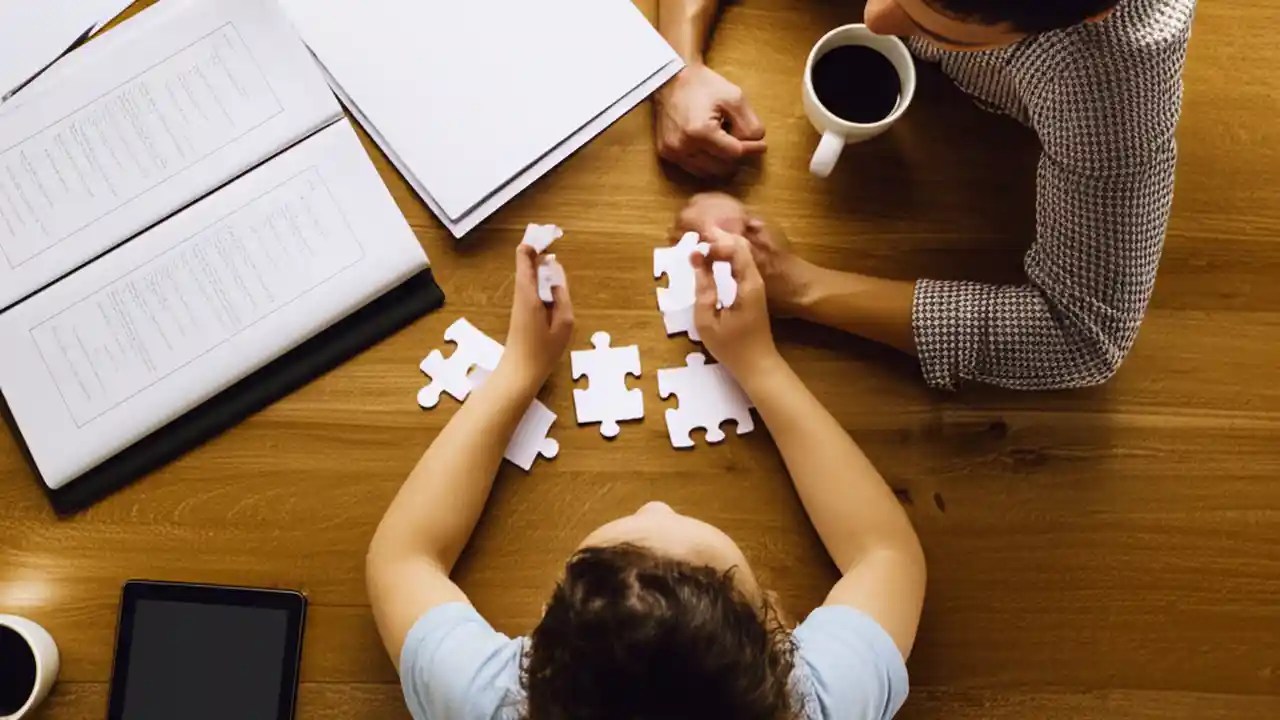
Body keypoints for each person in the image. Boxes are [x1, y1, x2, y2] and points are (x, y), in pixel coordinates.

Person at [367, 237, 927, 720]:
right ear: (776, 627)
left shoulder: (493, 703)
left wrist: (517, 370)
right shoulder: (814, 704)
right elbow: (885, 553)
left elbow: (402, 556)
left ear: (534, 652)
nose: (656, 505)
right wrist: (760, 363)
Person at [657, 0, 1197, 390]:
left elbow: (1081, 337)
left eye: (941, 24)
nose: (871, 16)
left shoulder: (1113, 79)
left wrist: (801, 287)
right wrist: (679, 69)